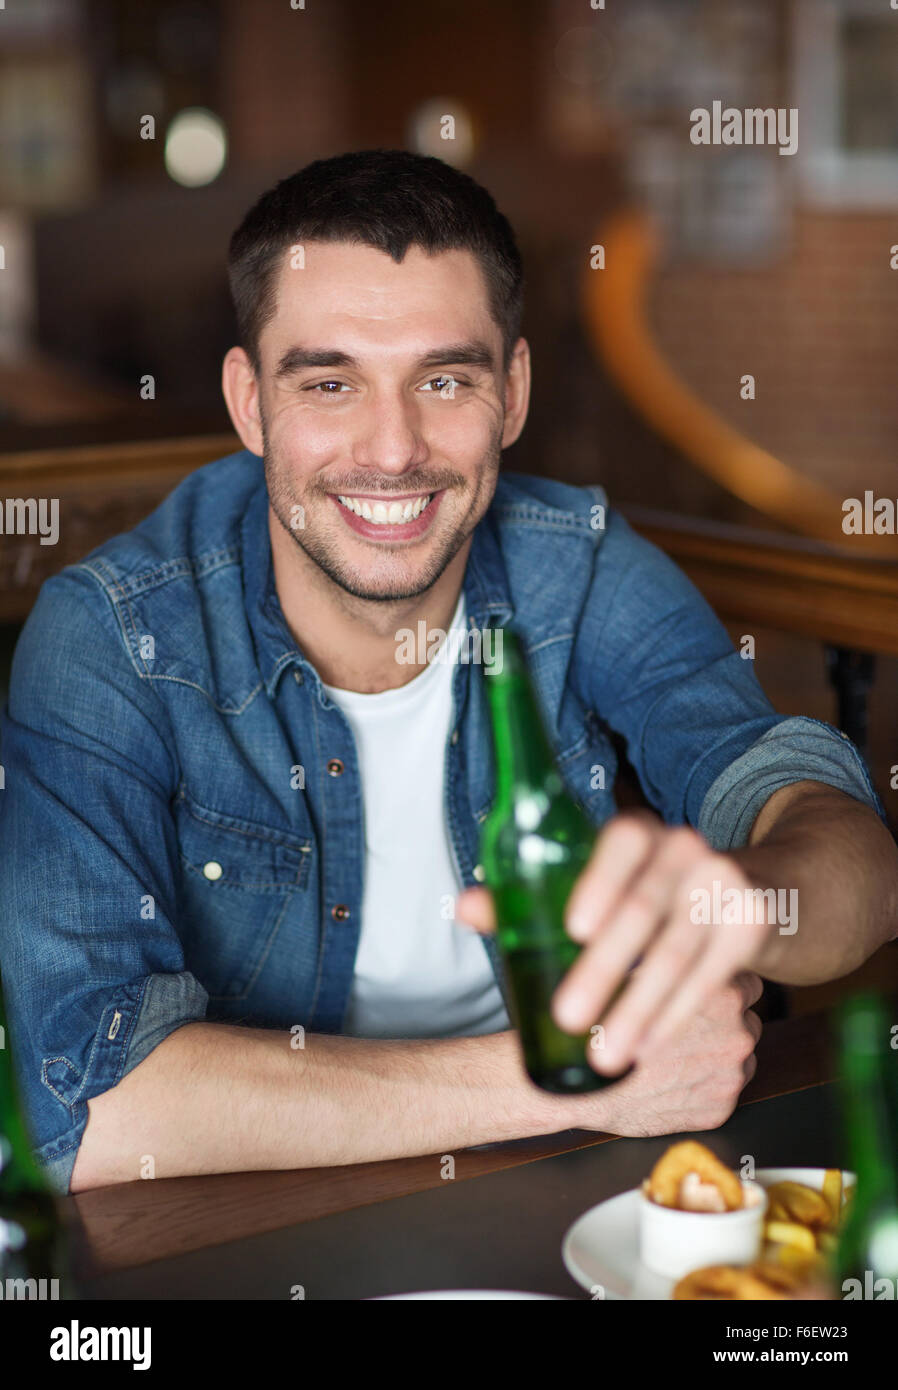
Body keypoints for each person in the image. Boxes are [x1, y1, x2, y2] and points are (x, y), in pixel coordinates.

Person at [1, 150, 895, 1195]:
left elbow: (856, 870)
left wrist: (741, 899)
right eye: (329, 382)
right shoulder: (110, 636)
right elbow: (88, 1114)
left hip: (563, 1195)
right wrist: (569, 1079)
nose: (393, 449)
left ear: (511, 392)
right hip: (251, 1217)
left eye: (444, 379)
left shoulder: (581, 564)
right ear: (249, 405)